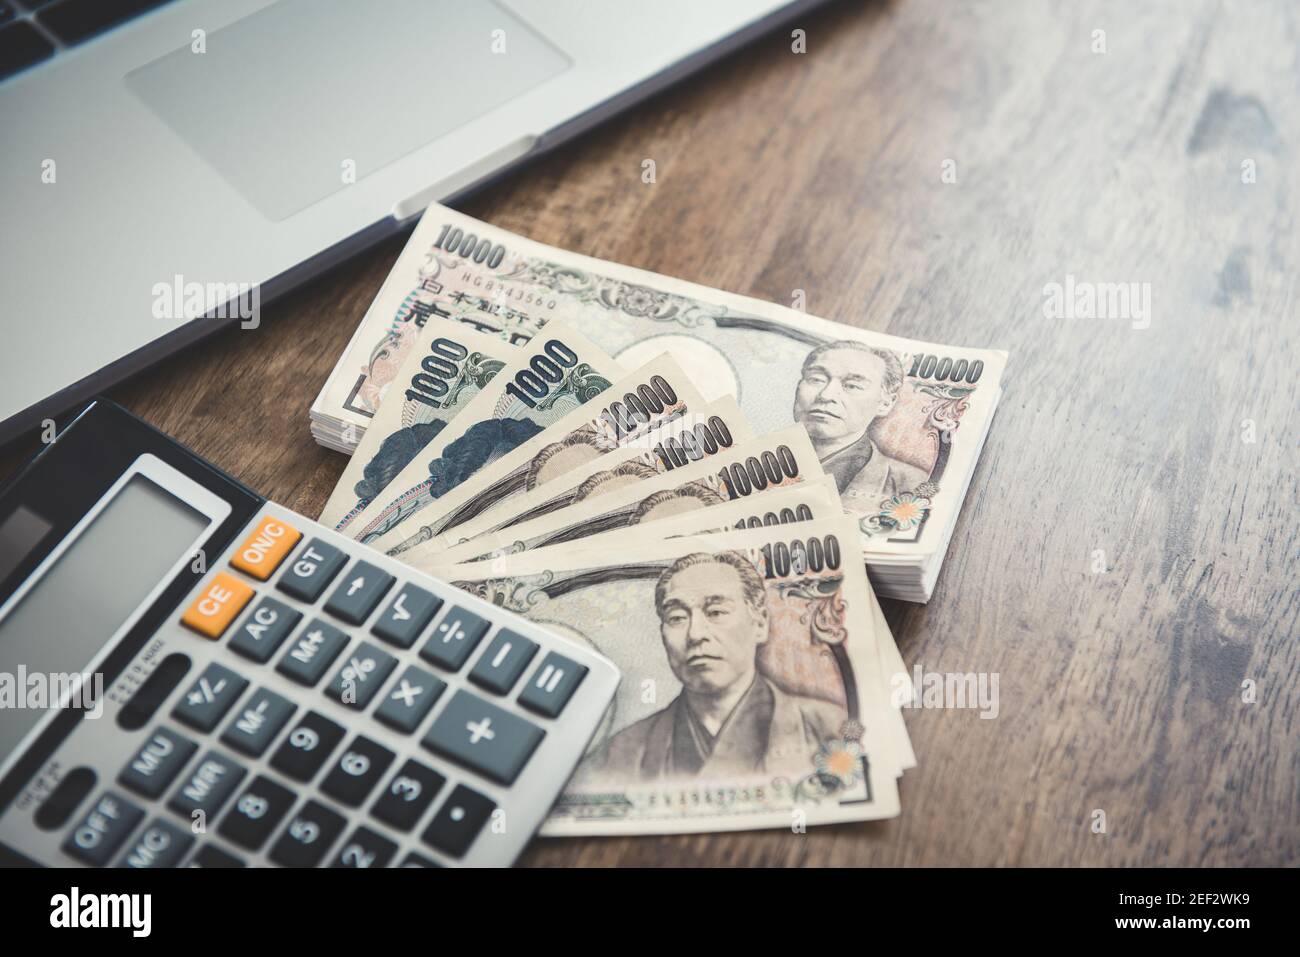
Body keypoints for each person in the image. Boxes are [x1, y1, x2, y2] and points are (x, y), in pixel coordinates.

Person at [581, 551, 846, 781]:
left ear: (761, 623)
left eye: (716, 612)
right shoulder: (618, 754)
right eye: (676, 617)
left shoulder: (831, 728)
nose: (695, 633)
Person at [792, 341, 928, 509]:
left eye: (852, 386)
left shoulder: (911, 485)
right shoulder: (755, 455)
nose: (826, 395)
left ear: (885, 403)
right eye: (816, 379)